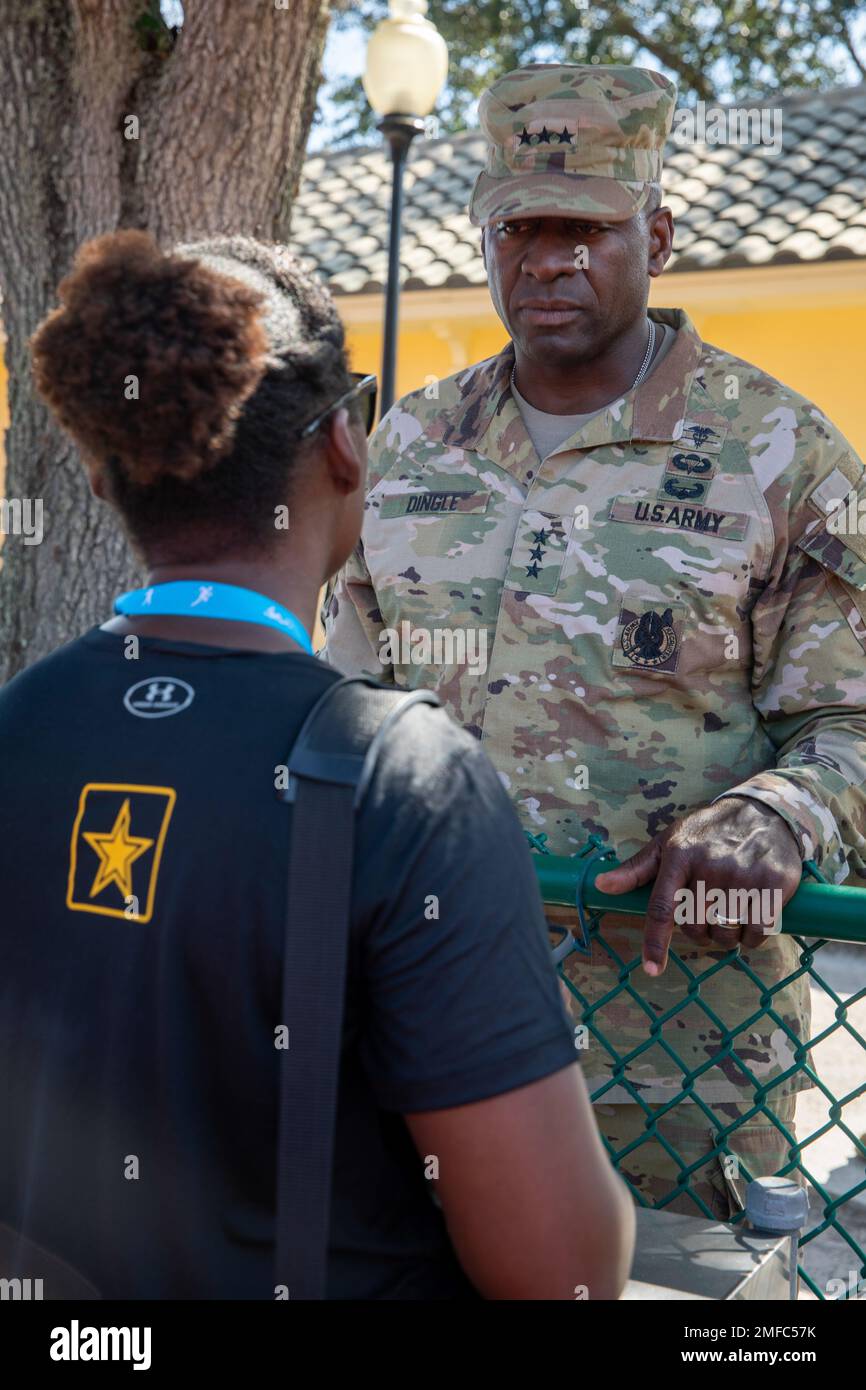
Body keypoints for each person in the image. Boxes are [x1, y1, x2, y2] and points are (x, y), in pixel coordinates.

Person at [0, 230, 634, 1299]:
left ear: (108, 484)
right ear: (346, 443)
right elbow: (560, 1271)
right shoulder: (404, 779)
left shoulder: (20, 724)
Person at [323, 63, 866, 1218]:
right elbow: (344, 699)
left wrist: (779, 811)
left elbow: (849, 723)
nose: (549, 258)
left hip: (670, 1051)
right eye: (520, 227)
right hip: (417, 1016)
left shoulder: (779, 451)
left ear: (656, 234)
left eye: (588, 229)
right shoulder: (411, 444)